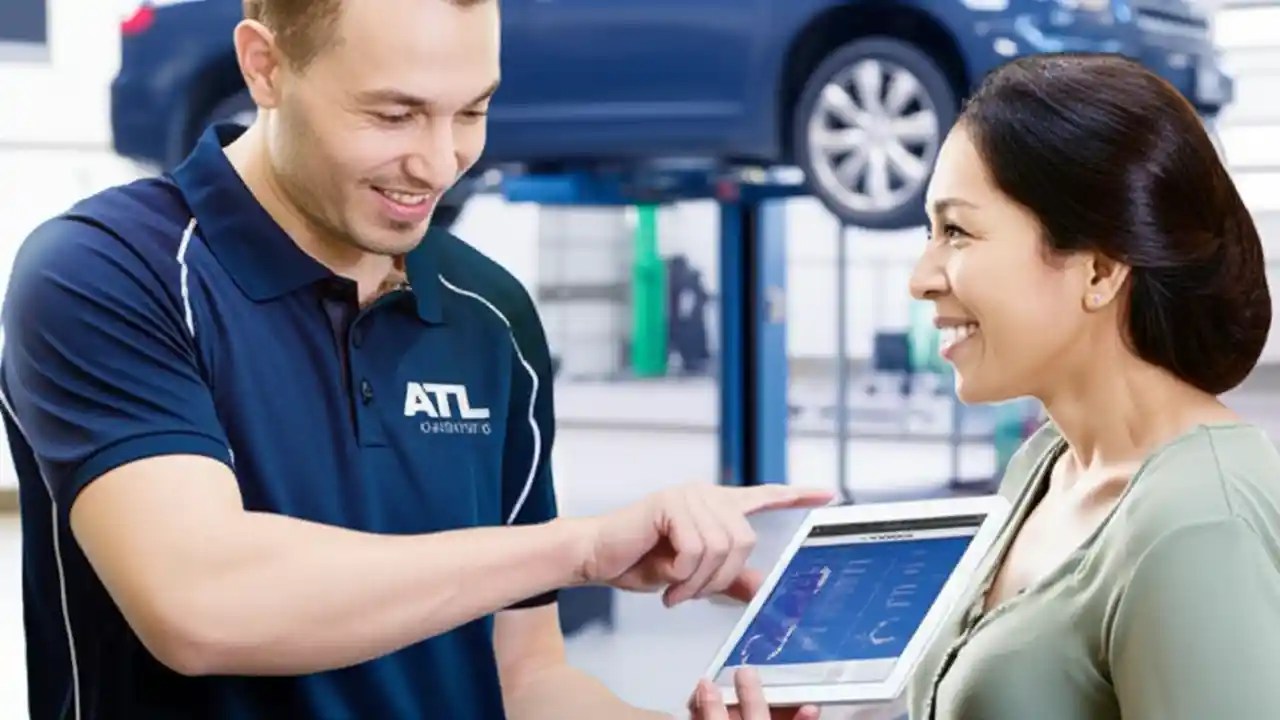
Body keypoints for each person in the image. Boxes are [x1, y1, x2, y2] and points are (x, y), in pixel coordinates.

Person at [0, 1, 833, 718]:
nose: (439, 164)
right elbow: (203, 603)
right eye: (393, 116)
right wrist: (579, 549)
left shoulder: (490, 316)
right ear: (265, 68)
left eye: (471, 111)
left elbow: (522, 676)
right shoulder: (105, 273)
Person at [692, 52, 1280, 719]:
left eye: (957, 231)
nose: (921, 276)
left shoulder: (1200, 525)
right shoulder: (1044, 469)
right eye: (928, 232)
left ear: (1099, 270)